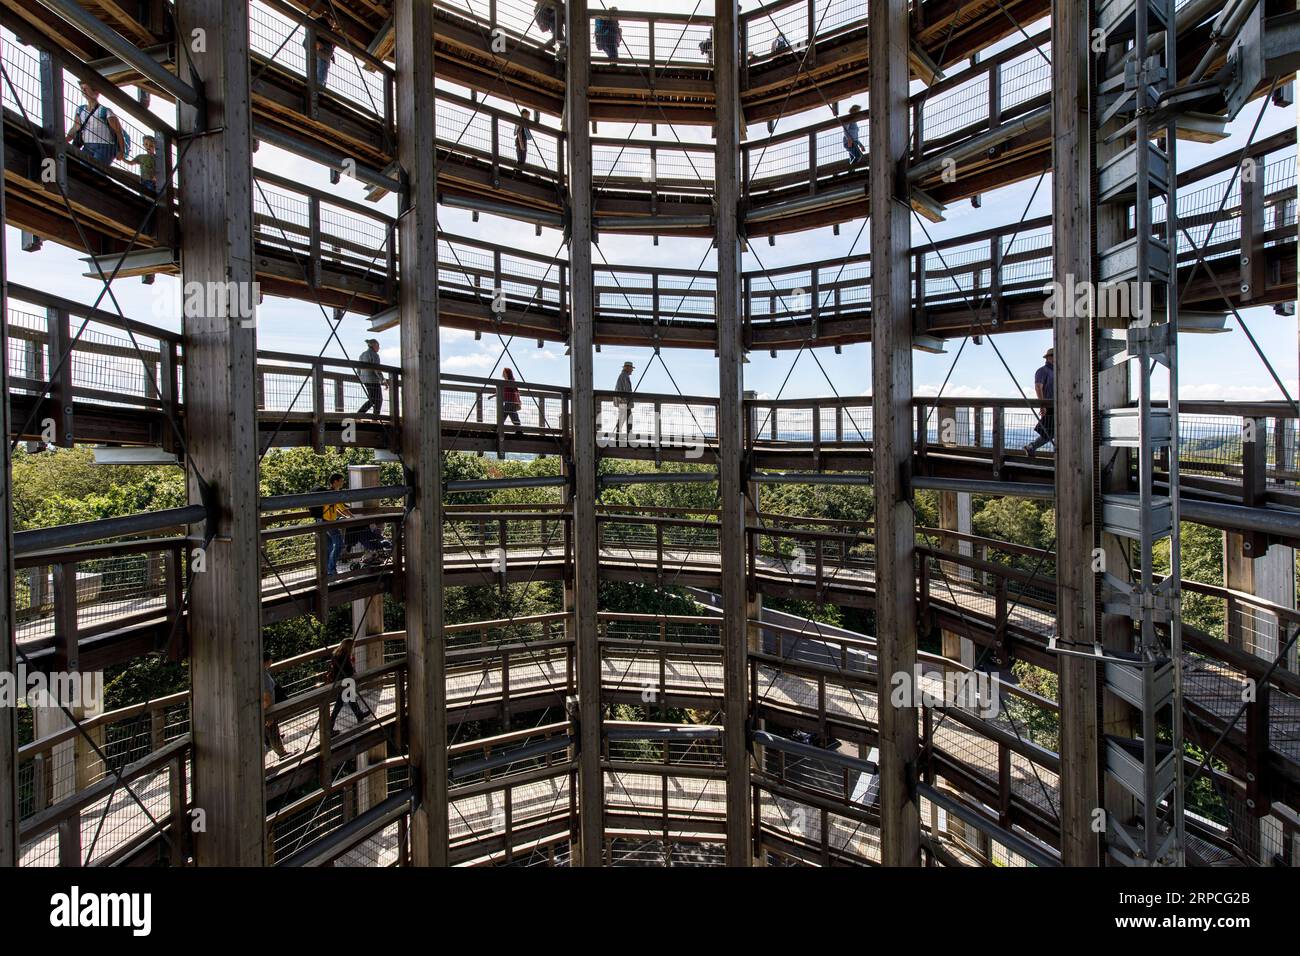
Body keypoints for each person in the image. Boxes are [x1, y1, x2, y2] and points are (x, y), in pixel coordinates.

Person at [67, 82, 126, 167]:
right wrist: (66, 139)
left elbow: (118, 132)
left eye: (86, 88)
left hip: (105, 147)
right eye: (82, 88)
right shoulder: (80, 110)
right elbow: (75, 127)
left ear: (96, 92)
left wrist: (122, 151)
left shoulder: (105, 111)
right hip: (87, 146)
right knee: (83, 169)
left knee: (97, 171)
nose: (83, 91)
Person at [327, 639, 366, 731]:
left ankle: (359, 714)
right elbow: (348, 670)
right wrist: (353, 671)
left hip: (339, 680)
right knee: (340, 703)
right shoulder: (344, 656)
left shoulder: (336, 654)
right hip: (345, 681)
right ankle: (330, 725)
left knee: (350, 698)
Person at [1023, 347, 1056, 456]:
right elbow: (1038, 387)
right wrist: (1043, 405)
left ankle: (1031, 446)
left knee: (1052, 431)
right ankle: (1032, 446)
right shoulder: (1043, 371)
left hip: (1054, 405)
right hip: (1049, 405)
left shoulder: (1054, 371)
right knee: (1051, 431)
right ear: (1049, 358)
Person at [263, 652, 293, 759]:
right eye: (271, 659)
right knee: (273, 731)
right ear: (267, 661)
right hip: (269, 709)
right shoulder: (264, 676)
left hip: (265, 708)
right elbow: (267, 696)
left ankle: (268, 743)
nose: (272, 661)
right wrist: (270, 714)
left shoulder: (261, 672)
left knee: (269, 730)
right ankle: (282, 754)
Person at [323, 472, 352, 576]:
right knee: (339, 544)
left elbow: (335, 508)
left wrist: (345, 516)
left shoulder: (327, 493)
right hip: (329, 523)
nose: (343, 482)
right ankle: (331, 570)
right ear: (335, 482)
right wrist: (352, 517)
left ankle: (329, 570)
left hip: (323, 522)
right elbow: (342, 508)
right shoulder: (334, 494)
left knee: (331, 547)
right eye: (341, 480)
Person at [356, 338, 384, 416]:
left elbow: (358, 369)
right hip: (373, 380)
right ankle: (375, 416)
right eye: (378, 346)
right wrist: (383, 380)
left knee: (373, 399)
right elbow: (377, 369)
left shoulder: (362, 355)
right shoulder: (374, 355)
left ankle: (360, 414)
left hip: (365, 380)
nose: (379, 348)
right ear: (374, 345)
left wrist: (361, 376)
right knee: (378, 399)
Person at [501, 368, 525, 439]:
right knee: (512, 415)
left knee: (505, 415)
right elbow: (501, 391)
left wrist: (518, 400)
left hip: (510, 402)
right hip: (509, 402)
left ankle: (498, 428)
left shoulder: (510, 382)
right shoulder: (507, 382)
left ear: (507, 373)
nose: (503, 374)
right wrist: (493, 395)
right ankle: (519, 430)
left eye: (504, 372)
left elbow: (516, 391)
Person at [313, 14, 336, 88]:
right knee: (321, 75)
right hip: (322, 54)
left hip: (322, 54)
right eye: (333, 23)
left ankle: (319, 88)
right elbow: (318, 34)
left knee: (319, 74)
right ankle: (318, 89)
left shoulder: (321, 24)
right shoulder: (323, 23)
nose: (333, 26)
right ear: (329, 20)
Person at [614, 360, 635, 442]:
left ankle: (619, 435)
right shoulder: (624, 376)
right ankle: (626, 436)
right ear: (627, 368)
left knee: (623, 418)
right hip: (624, 402)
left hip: (623, 401)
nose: (632, 370)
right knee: (627, 418)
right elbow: (626, 390)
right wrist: (626, 400)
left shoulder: (623, 376)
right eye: (631, 368)